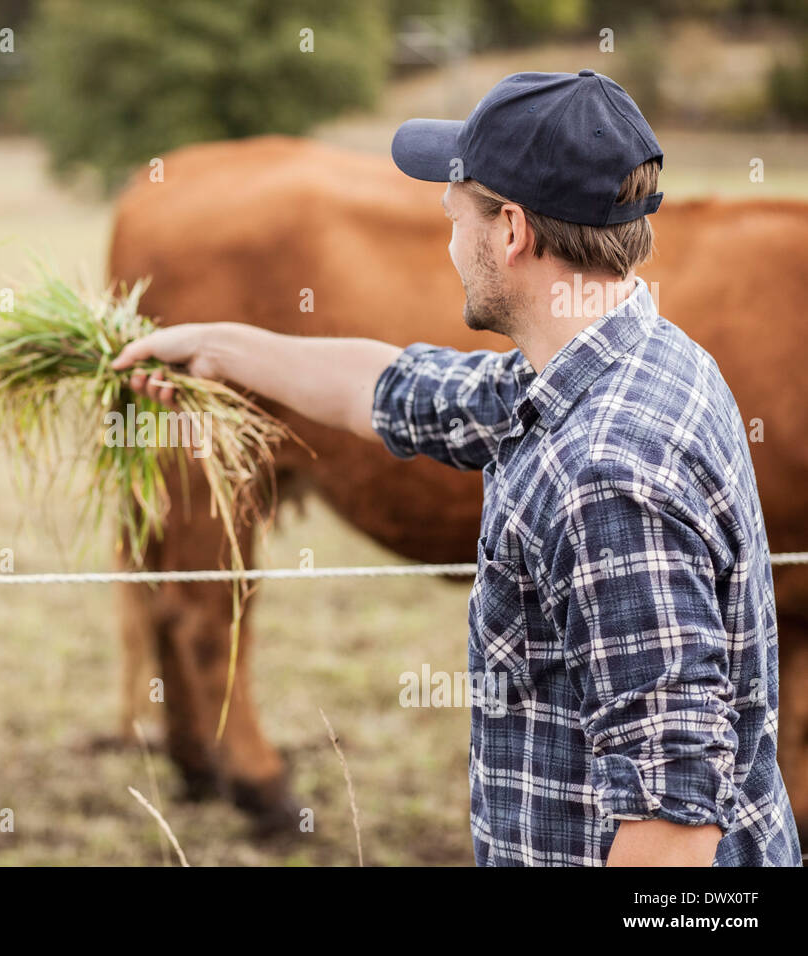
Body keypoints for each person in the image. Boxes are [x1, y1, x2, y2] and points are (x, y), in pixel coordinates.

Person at [111, 71, 802, 867]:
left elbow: (672, 828)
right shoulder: (628, 362)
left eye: (453, 215)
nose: (444, 240)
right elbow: (397, 389)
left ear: (509, 231)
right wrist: (221, 350)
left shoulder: (609, 477)